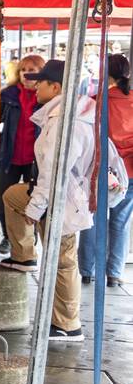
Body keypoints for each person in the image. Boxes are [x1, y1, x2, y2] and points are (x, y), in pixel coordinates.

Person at [0, 59, 95, 341]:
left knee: (63, 261)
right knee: (12, 196)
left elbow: (54, 172)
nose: (35, 86)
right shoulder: (64, 114)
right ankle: (25, 256)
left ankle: (68, 324)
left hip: (64, 201)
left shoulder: (66, 121)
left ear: (55, 87)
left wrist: (35, 208)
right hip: (59, 197)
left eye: (40, 82)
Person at [80, 54, 133, 287]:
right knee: (121, 222)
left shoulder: (95, 102)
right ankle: (114, 273)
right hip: (129, 171)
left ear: (105, 74)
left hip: (102, 169)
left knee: (92, 218)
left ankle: (87, 270)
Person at [0, 54, 43, 252]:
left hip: (35, 160)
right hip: (9, 157)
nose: (26, 74)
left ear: (41, 73)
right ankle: (8, 236)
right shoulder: (9, 95)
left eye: (32, 70)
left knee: (33, 200)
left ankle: (29, 236)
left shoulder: (45, 98)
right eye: (23, 70)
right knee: (2, 198)